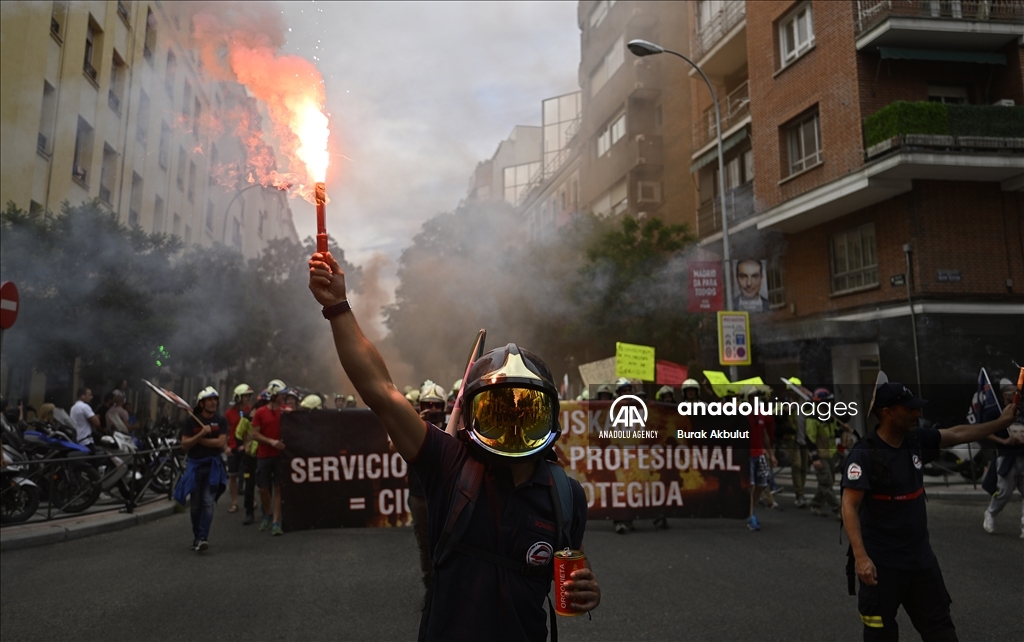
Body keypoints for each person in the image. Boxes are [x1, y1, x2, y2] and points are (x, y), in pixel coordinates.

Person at [309, 251, 600, 641]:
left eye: (525, 411)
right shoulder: (447, 463)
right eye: (500, 411)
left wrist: (588, 590)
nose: (514, 424)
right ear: (474, 414)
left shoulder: (566, 495)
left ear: (548, 414)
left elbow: (572, 568)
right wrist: (338, 308)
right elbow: (381, 391)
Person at [841, 381, 1018, 641]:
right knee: (880, 635)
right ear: (888, 412)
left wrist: (1000, 423)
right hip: (881, 567)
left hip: (920, 563)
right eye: (909, 409)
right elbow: (849, 506)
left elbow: (958, 434)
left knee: (942, 632)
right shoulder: (864, 454)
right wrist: (861, 558)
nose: (917, 414)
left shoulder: (915, 441)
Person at [173, 387, 228, 552]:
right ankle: (197, 537)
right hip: (195, 466)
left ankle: (204, 537)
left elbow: (220, 443)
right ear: (202, 403)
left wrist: (199, 440)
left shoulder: (221, 420)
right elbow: (185, 445)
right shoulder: (191, 421)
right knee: (195, 506)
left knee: (208, 502)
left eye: (215, 399)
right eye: (209, 400)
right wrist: (200, 434)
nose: (213, 403)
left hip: (213, 467)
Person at [251, 379, 288, 536]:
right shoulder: (260, 413)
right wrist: (271, 442)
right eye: (281, 394)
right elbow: (254, 434)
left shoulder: (286, 412)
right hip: (264, 455)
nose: (284, 397)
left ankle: (275, 521)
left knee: (279, 488)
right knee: (263, 489)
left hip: (280, 456)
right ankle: (267, 512)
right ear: (274, 396)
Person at [806, 388, 840, 518]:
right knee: (826, 483)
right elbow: (810, 440)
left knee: (827, 483)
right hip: (820, 455)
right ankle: (838, 509)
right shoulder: (812, 419)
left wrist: (842, 432)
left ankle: (816, 504)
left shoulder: (830, 417)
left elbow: (835, 433)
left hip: (831, 454)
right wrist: (815, 458)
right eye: (828, 401)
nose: (831, 403)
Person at [746, 387, 778, 530]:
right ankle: (751, 515)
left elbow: (764, 434)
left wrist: (771, 454)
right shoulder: (741, 413)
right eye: (751, 397)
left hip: (760, 454)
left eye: (756, 397)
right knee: (751, 485)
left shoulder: (760, 413)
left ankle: (751, 507)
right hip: (746, 455)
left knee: (763, 483)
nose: (754, 399)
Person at [225, 383, 254, 515]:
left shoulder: (252, 411)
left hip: (247, 448)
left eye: (248, 395)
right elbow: (225, 432)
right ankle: (234, 502)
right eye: (244, 396)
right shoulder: (229, 413)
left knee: (249, 475)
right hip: (233, 448)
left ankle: (250, 500)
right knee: (233, 476)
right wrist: (226, 447)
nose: (247, 398)